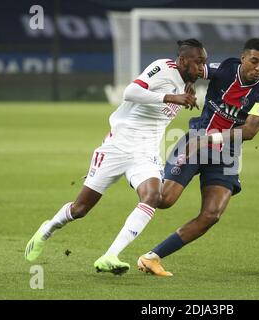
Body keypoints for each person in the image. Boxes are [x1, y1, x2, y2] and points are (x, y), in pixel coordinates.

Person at [24, 39, 207, 275]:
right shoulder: (163, 68)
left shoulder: (187, 85)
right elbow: (130, 92)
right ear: (182, 60)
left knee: (152, 196)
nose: (202, 67)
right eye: (198, 62)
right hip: (116, 147)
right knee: (80, 209)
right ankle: (47, 229)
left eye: (205, 62)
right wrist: (170, 98)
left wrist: (183, 92)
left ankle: (111, 255)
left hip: (146, 152)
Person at [137, 38, 259, 276]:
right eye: (254, 61)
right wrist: (187, 84)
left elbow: (250, 131)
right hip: (196, 140)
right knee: (164, 200)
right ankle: (134, 169)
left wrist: (209, 139)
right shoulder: (224, 69)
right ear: (243, 58)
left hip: (226, 153)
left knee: (211, 215)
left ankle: (152, 257)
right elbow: (190, 68)